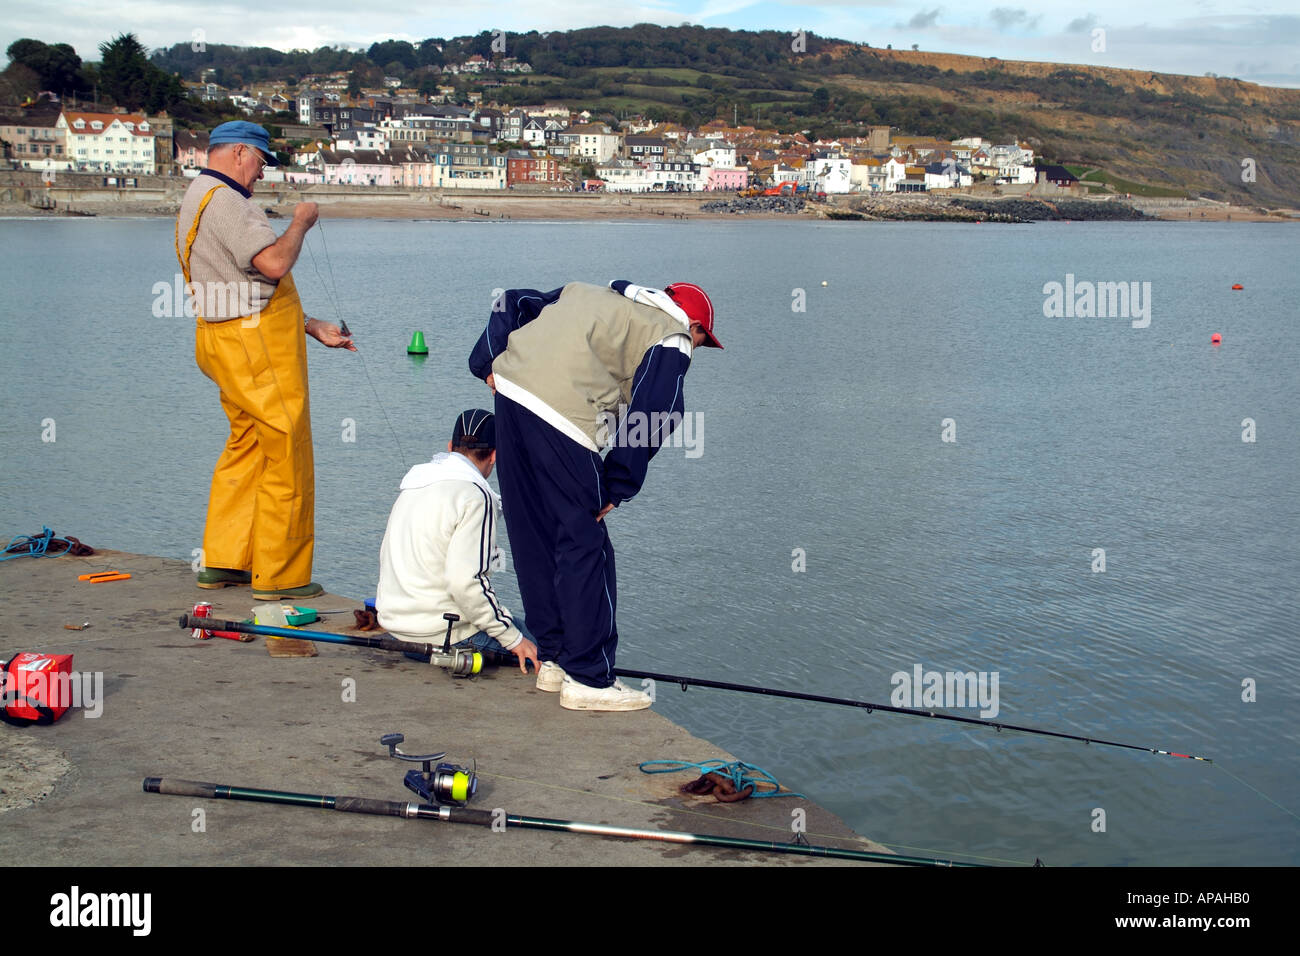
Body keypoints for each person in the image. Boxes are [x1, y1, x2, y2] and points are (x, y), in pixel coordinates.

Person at [469, 280, 721, 711]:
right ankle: (589, 677)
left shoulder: (584, 291)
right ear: (693, 323)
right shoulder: (673, 333)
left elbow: (510, 300)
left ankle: (554, 660)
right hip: (565, 417)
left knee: (534, 535)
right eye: (703, 339)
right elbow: (657, 411)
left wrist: (486, 362)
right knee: (585, 544)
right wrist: (618, 484)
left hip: (511, 396)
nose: (697, 349)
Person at [175, 121, 354, 601]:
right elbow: (273, 265)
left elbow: (237, 282)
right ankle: (281, 576)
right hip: (256, 344)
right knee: (286, 452)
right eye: (259, 161)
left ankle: (226, 561)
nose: (259, 174)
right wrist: (301, 222)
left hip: (219, 339)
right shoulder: (232, 203)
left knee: (247, 444)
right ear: (238, 152)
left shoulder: (197, 194)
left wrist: (312, 325)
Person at [376, 410, 539, 672]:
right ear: (496, 455)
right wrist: (513, 640)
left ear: (450, 448)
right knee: (554, 648)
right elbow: (465, 582)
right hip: (442, 635)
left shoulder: (415, 483)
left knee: (524, 628)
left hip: (396, 627)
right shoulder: (475, 497)